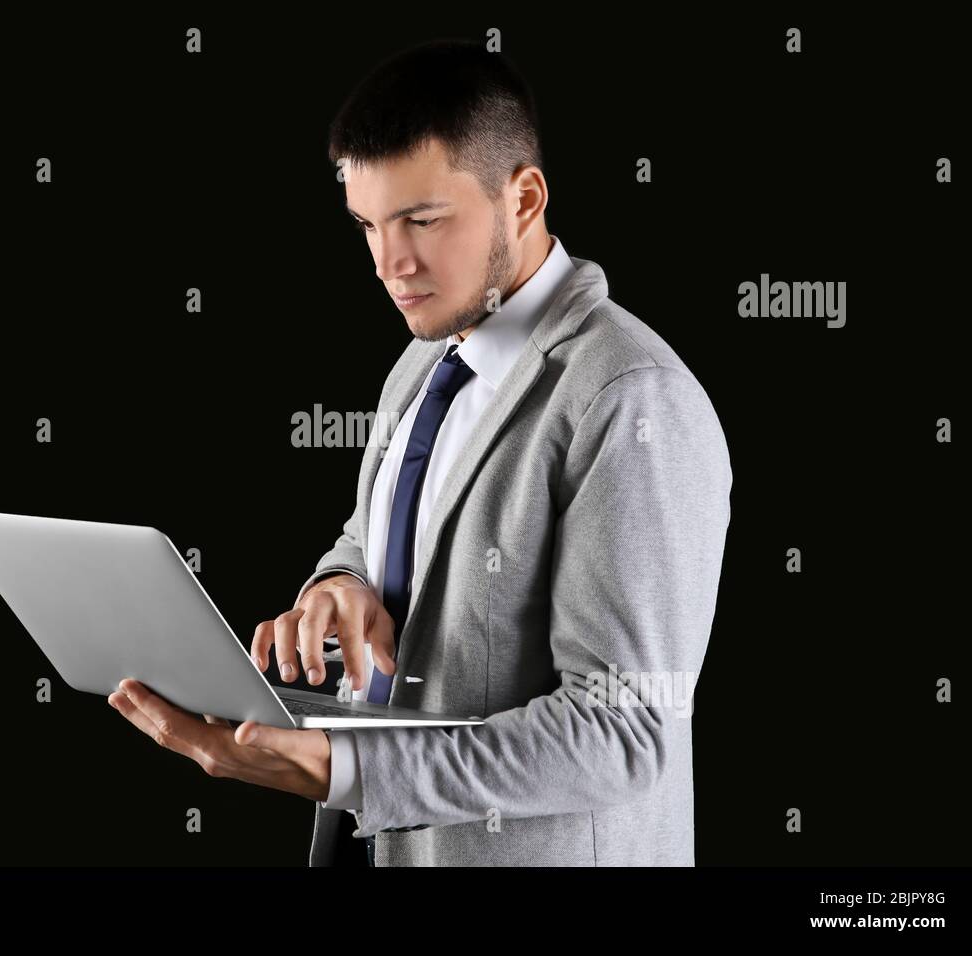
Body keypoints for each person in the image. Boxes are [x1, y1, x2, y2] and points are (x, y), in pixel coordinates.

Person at [108, 38, 732, 867]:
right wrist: (344, 585)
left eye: (423, 221)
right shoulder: (425, 359)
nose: (389, 264)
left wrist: (350, 767)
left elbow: (622, 730)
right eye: (367, 224)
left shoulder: (630, 399)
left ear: (525, 197)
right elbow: (377, 538)